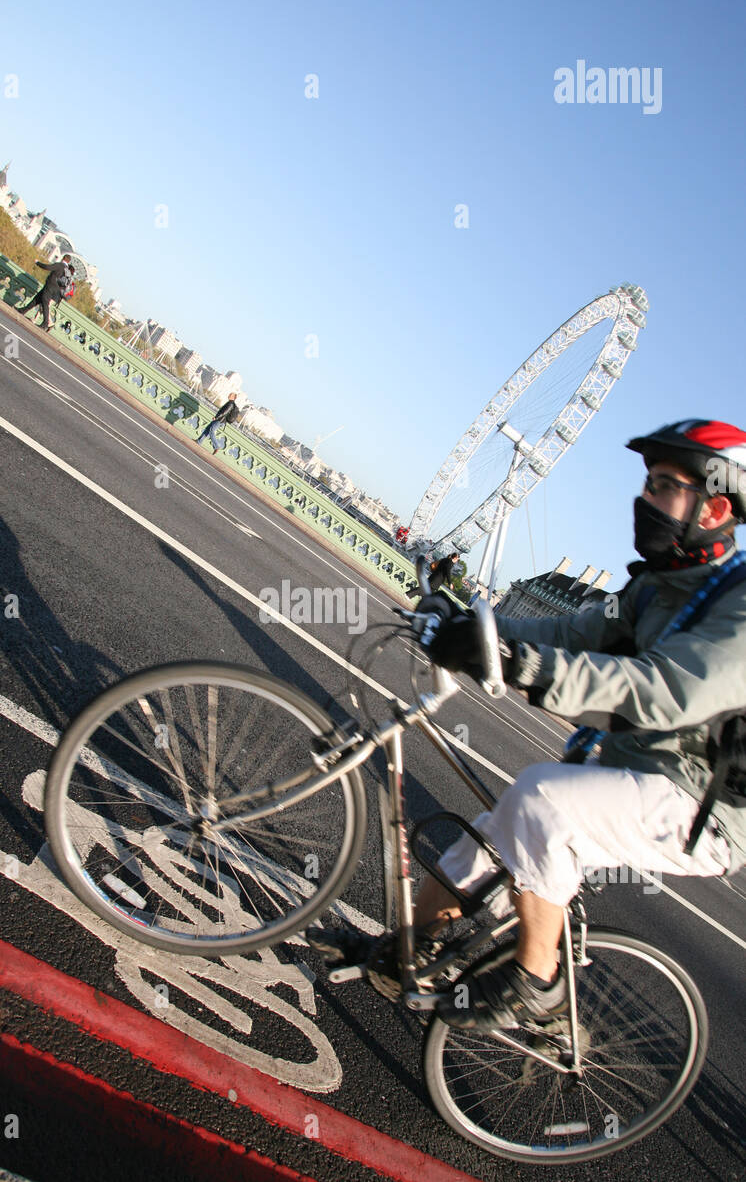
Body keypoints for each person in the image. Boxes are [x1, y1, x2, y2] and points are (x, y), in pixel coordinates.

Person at [308, 419, 746, 1031]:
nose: (644, 499)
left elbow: (665, 691)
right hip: (627, 770)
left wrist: (524, 666)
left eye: (663, 486)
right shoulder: (653, 587)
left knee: (543, 799)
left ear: (716, 505)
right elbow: (569, 633)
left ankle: (537, 981)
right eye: (646, 484)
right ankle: (407, 949)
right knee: (490, 835)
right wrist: (472, 624)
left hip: (698, 808)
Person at [15, 254, 73, 331]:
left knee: (45, 303)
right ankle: (22, 310)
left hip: (50, 286)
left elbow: (47, 267)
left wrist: (38, 263)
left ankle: (45, 323)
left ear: (63, 258)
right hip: (56, 290)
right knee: (37, 299)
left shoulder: (60, 265)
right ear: (68, 261)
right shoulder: (67, 270)